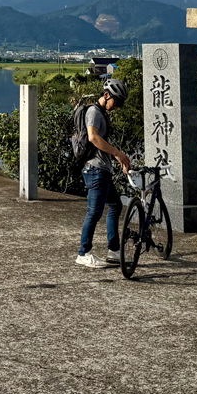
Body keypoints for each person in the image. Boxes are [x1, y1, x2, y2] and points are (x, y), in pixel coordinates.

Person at [75, 79, 131, 268]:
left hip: (102, 169)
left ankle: (114, 251)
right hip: (95, 170)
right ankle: (84, 253)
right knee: (94, 212)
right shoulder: (93, 112)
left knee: (115, 206)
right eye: (117, 101)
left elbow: (103, 145)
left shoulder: (101, 113)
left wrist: (119, 158)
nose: (118, 107)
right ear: (107, 95)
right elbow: (93, 138)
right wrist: (117, 153)